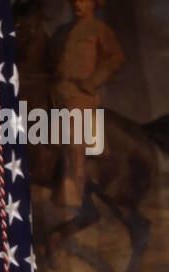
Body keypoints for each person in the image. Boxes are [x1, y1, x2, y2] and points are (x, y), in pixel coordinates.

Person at [48, 0, 124, 208]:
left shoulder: (100, 29)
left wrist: (92, 81)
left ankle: (75, 193)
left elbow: (116, 58)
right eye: (73, 0)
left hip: (80, 94)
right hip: (56, 90)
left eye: (83, 0)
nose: (76, 4)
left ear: (94, 4)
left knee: (74, 139)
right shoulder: (61, 31)